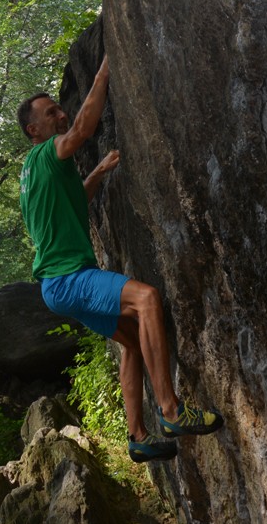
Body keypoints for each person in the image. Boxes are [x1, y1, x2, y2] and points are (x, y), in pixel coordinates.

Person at [17, 55, 223, 463]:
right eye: (50, 112)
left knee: (131, 341)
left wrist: (99, 171)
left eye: (58, 107)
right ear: (33, 130)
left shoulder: (35, 173)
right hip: (69, 278)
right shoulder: (45, 154)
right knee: (146, 300)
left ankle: (138, 437)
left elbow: (75, 203)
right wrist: (104, 73)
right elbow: (82, 130)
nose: (60, 113)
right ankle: (171, 409)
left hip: (57, 288)